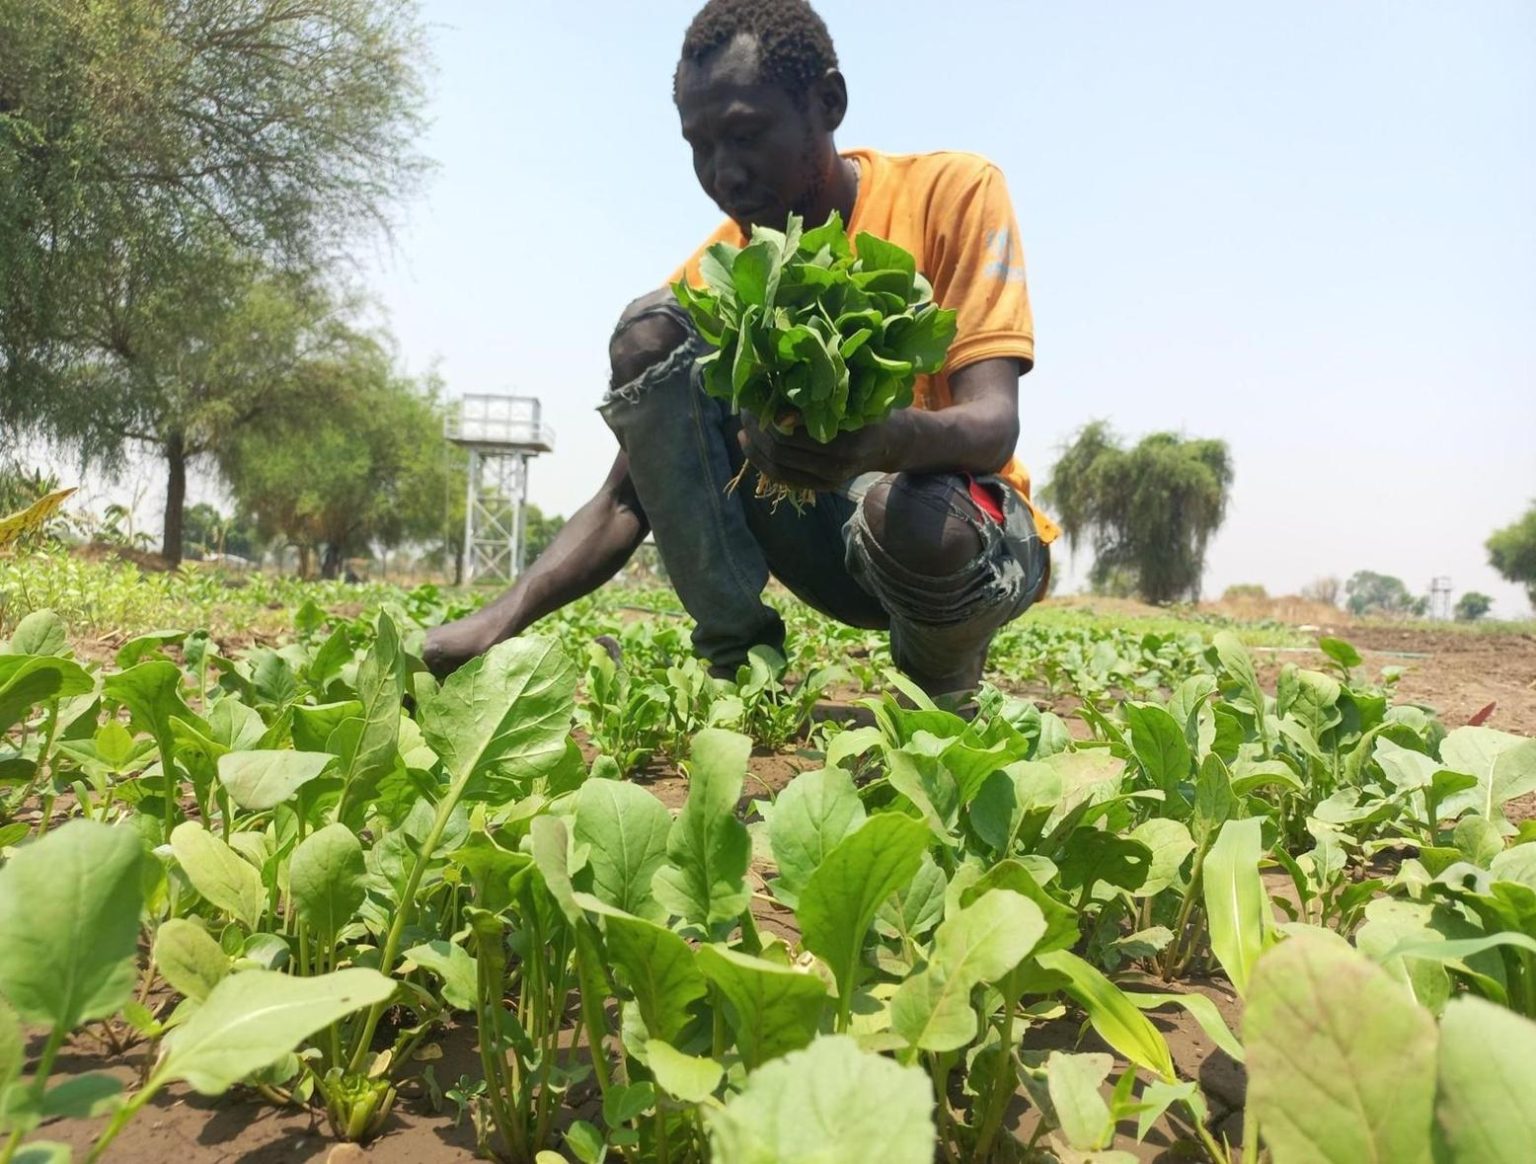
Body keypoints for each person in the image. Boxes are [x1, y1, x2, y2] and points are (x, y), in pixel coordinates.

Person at [424, 0, 1058, 699]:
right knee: (652, 334)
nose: (723, 174)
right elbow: (627, 497)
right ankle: (740, 666)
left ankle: (941, 685)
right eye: (700, 146)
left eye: (746, 134)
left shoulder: (952, 193)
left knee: (910, 516)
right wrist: (496, 622)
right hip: (826, 543)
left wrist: (883, 441)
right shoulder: (719, 274)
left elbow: (993, 425)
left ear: (827, 101)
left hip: (961, 536)